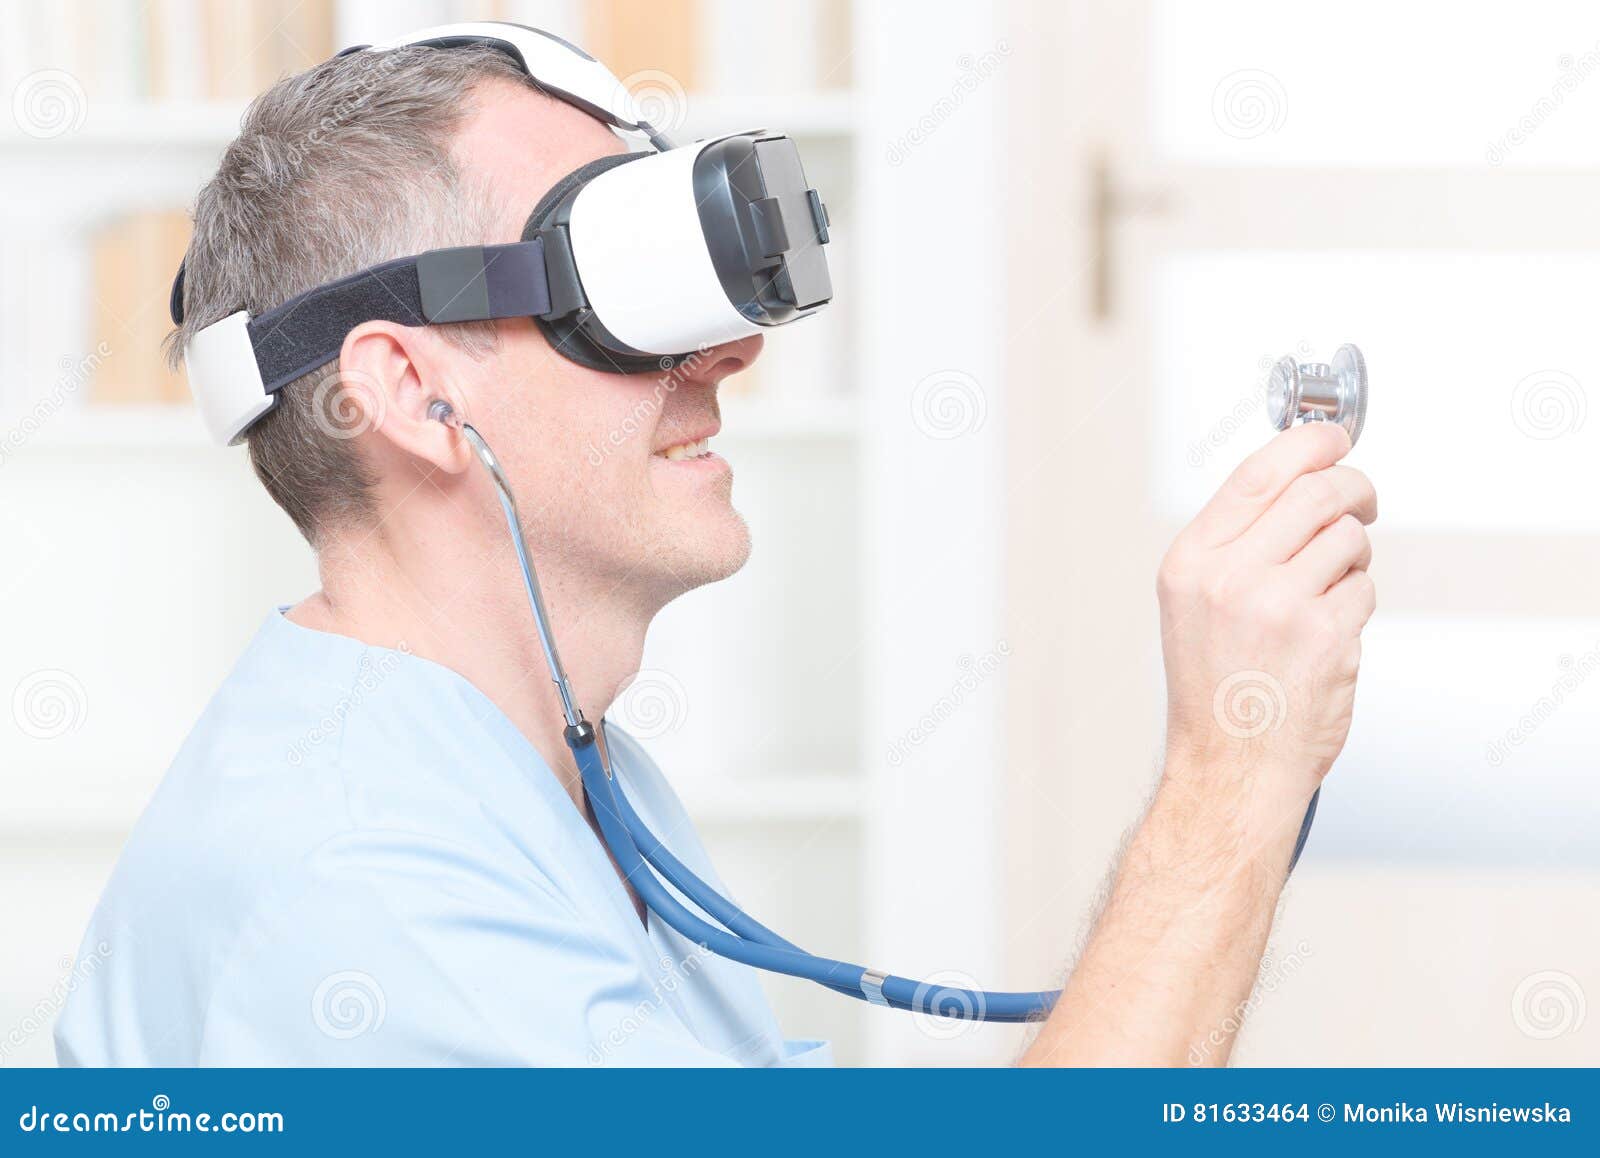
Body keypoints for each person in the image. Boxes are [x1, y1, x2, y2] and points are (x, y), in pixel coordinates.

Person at [55, 44, 1376, 1066]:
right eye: (613, 285)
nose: (728, 351)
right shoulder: (364, 886)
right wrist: (1233, 772)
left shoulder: (554, 769)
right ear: (408, 392)